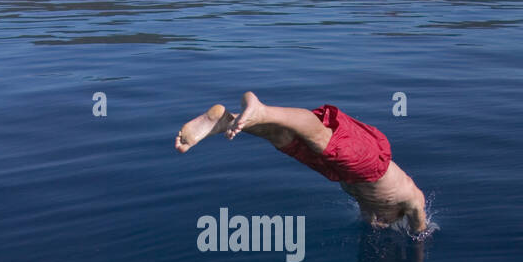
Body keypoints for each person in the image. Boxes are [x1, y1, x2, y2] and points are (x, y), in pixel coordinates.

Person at [175, 91, 427, 232]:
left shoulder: (376, 210)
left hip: (338, 173)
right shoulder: (412, 200)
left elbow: (369, 213)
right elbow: (419, 226)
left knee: (284, 139)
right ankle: (261, 109)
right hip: (372, 164)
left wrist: (374, 225)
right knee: (320, 135)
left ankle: (226, 121)